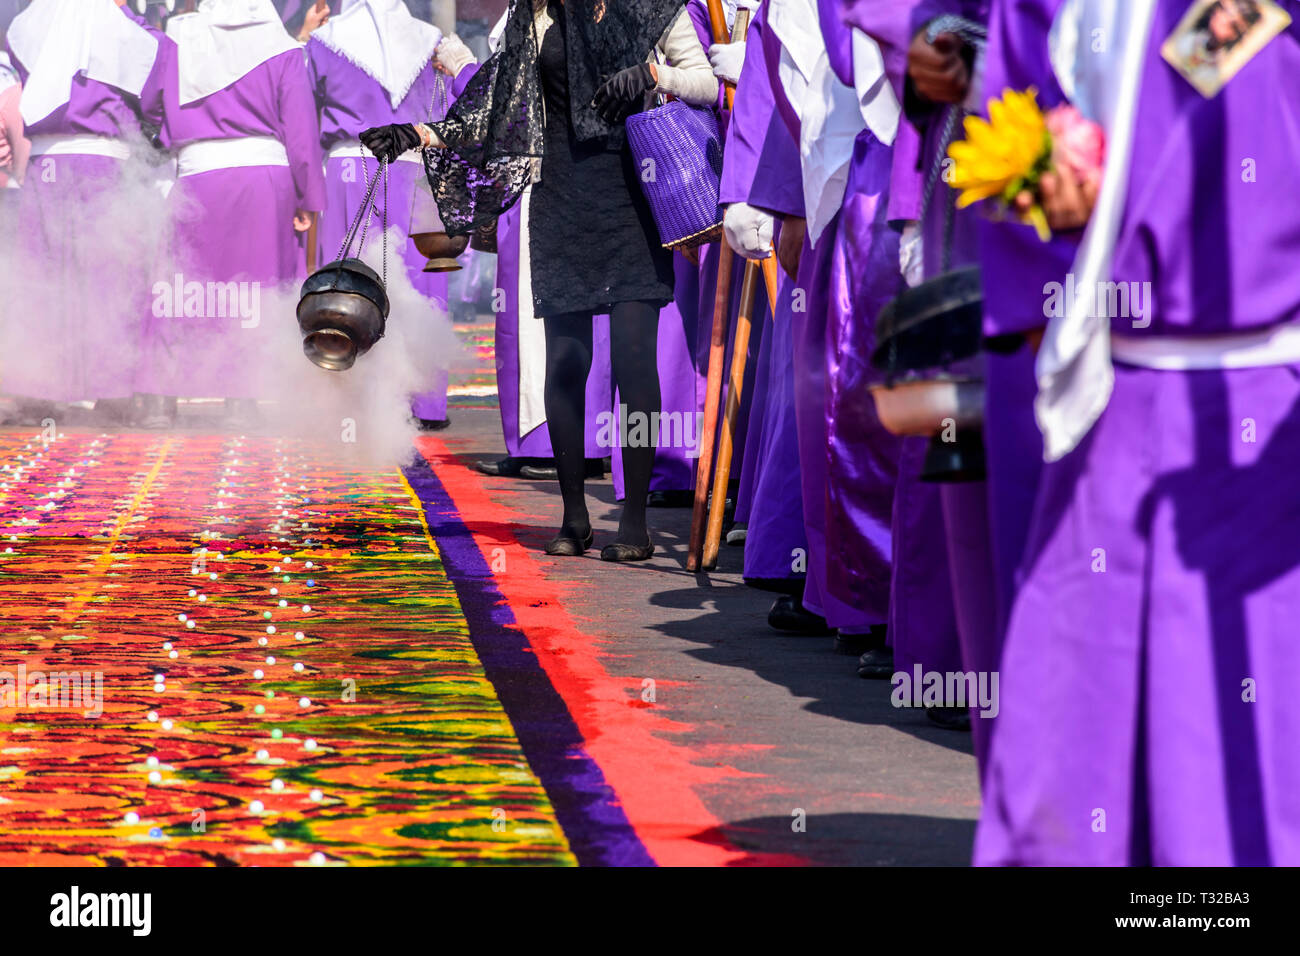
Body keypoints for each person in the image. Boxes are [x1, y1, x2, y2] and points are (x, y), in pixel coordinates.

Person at [973, 0, 1300, 867]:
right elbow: (1006, 100)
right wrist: (1046, 197)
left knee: (1243, 750)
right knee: (1078, 738)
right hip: (1112, 389)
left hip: (1261, 402)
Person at [363, 0, 718, 562]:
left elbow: (708, 86)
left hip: (633, 192)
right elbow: (491, 110)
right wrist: (415, 134)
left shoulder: (654, 8)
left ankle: (634, 522)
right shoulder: (534, 13)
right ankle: (574, 516)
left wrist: (655, 75)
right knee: (566, 361)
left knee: (633, 359)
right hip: (560, 198)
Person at [137, 0, 325, 428]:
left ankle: (162, 401)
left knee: (179, 283)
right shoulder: (281, 47)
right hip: (265, 181)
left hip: (198, 175)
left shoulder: (177, 38)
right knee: (254, 288)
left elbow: (150, 103)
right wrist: (308, 197)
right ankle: (241, 398)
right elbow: (301, 130)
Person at [306, 0, 478, 431]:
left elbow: (308, 117)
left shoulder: (325, 42)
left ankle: (351, 400)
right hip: (415, 170)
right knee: (418, 284)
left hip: (351, 170)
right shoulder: (432, 41)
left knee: (349, 284)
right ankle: (422, 401)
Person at [2, 0, 170, 425]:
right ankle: (112, 394)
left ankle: (37, 393)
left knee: (45, 279)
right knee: (111, 280)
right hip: (103, 161)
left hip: (46, 164)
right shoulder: (130, 31)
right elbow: (153, 94)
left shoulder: (27, 24)